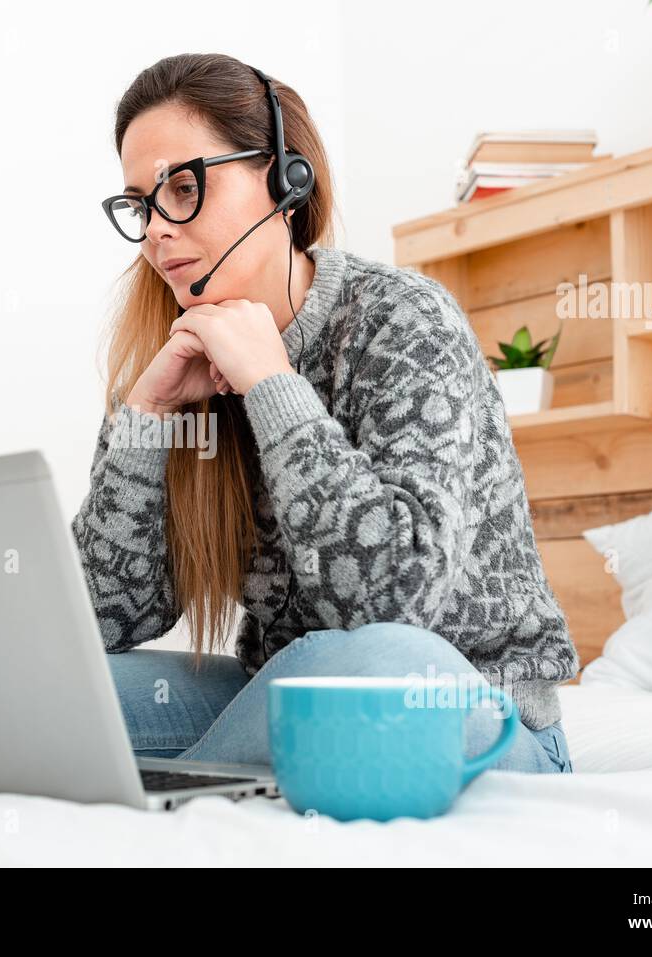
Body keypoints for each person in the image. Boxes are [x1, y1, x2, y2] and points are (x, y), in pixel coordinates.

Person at [72, 53, 577, 774]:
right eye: (140, 205)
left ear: (285, 177)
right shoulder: (174, 354)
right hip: (281, 697)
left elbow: (390, 603)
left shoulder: (404, 320)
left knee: (379, 664)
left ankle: (188, 784)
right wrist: (145, 417)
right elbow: (106, 617)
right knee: (49, 692)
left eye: (184, 187)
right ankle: (216, 777)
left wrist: (270, 384)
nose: (156, 229)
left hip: (464, 711)